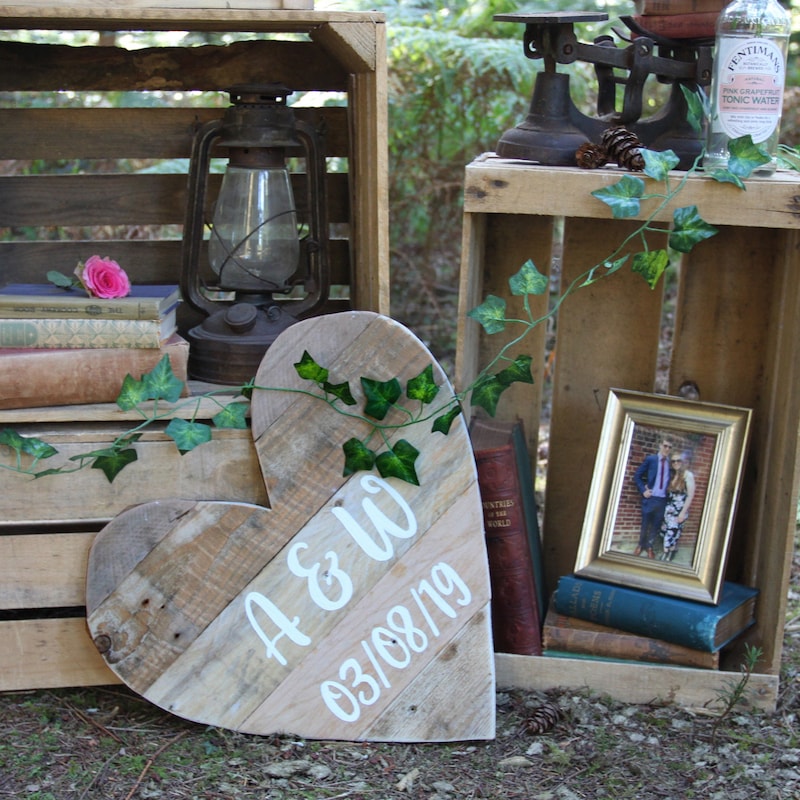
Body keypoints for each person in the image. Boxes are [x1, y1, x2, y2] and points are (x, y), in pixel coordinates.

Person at [633, 438, 673, 558]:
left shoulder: (670, 463)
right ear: (660, 446)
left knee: (656, 525)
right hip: (650, 499)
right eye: (665, 446)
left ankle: (649, 546)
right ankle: (640, 545)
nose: (667, 449)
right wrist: (643, 490)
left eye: (670, 447)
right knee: (645, 524)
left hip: (662, 500)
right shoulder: (651, 459)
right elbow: (637, 475)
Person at [659, 451, 696, 561]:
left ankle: (666, 553)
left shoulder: (688, 475)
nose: (675, 463)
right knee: (668, 532)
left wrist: (682, 513)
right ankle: (672, 550)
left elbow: (690, 496)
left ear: (683, 462)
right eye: (673, 461)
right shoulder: (673, 475)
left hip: (679, 510)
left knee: (671, 532)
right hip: (669, 510)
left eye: (678, 460)